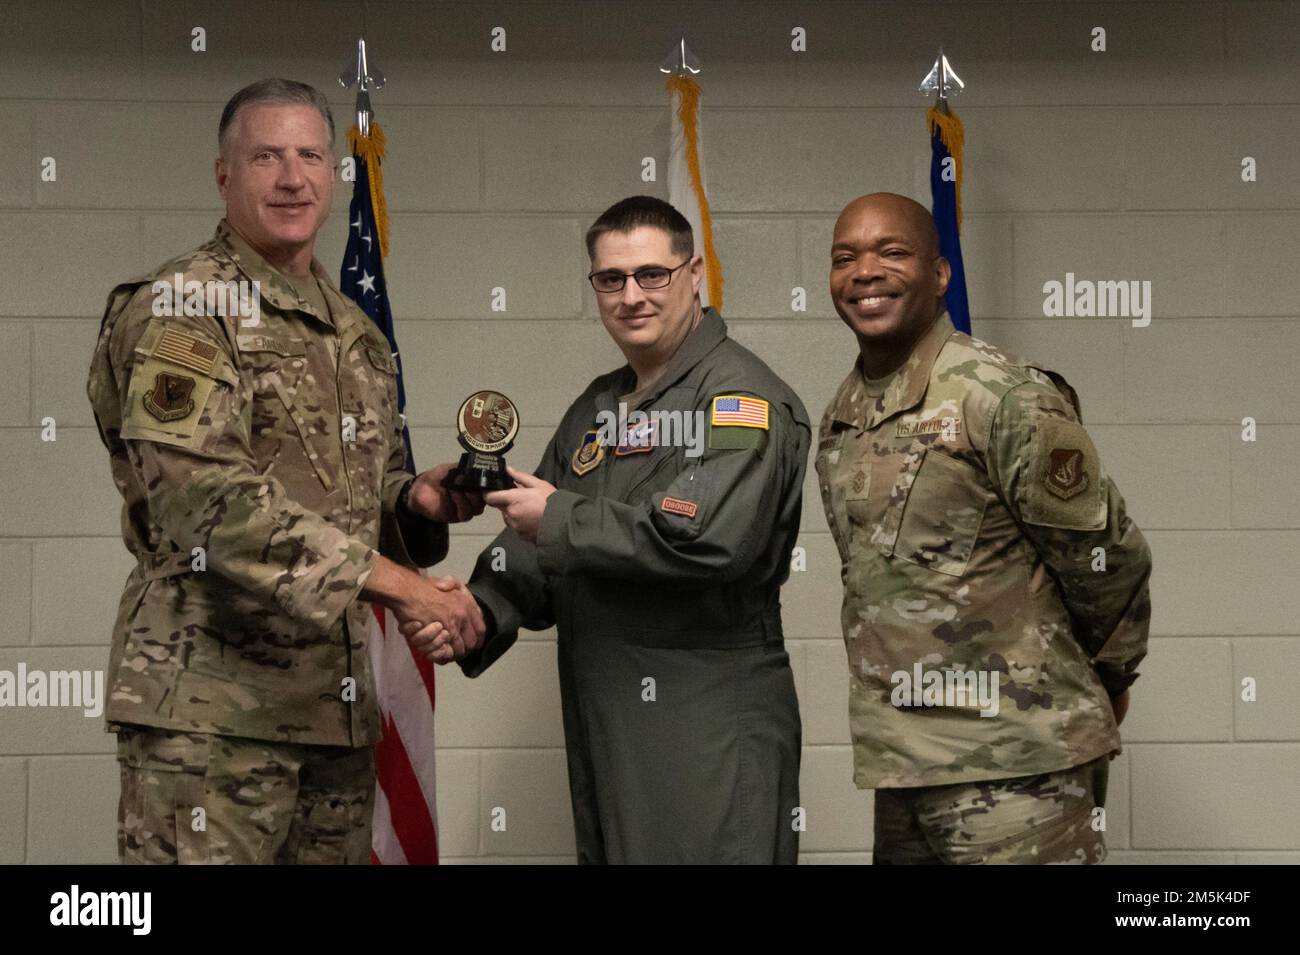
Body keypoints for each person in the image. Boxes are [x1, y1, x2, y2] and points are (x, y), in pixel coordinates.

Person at [85, 78, 483, 864]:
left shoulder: (355, 332)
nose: (293, 177)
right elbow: (204, 501)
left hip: (332, 711)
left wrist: (414, 501)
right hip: (211, 715)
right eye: (267, 156)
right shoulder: (184, 306)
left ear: (334, 174)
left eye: (309, 156)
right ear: (223, 174)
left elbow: (356, 502)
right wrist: (402, 588)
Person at [405, 196, 809, 864]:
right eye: (611, 278)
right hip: (605, 715)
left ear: (694, 274)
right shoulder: (598, 407)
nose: (631, 295)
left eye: (652, 274)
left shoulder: (739, 400)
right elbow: (534, 540)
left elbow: (708, 541)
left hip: (704, 720)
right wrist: (478, 609)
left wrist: (558, 517)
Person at [814, 192, 1152, 864]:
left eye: (892, 252)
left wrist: (1110, 678)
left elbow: (1107, 557)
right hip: (905, 766)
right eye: (844, 258)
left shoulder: (1000, 394)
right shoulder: (845, 412)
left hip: (1020, 765)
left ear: (940, 273)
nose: (865, 271)